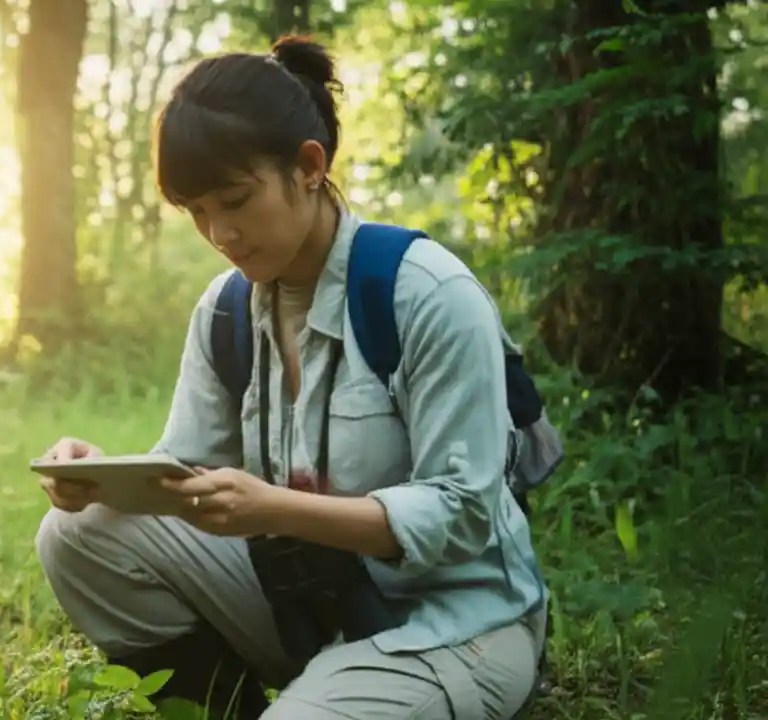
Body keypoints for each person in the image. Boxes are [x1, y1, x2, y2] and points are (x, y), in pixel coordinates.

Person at [32, 34, 549, 720]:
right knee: (78, 534)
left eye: (235, 200)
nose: (219, 232)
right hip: (309, 606)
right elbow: (193, 472)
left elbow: (463, 514)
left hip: (454, 625)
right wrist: (105, 477)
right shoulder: (226, 309)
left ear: (310, 166)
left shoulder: (425, 293)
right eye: (196, 212)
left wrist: (277, 509)